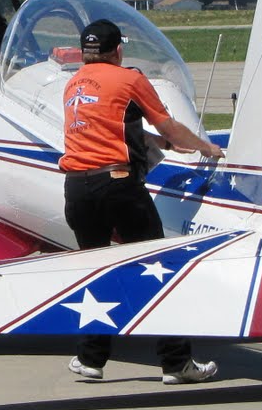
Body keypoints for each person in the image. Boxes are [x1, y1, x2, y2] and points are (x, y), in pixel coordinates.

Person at [59, 19, 225, 385]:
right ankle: (176, 362)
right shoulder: (129, 78)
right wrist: (204, 147)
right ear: (117, 50)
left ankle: (91, 359)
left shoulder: (73, 83)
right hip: (118, 185)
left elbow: (110, 125)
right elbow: (168, 125)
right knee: (156, 269)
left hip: (76, 189)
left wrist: (158, 144)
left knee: (98, 270)